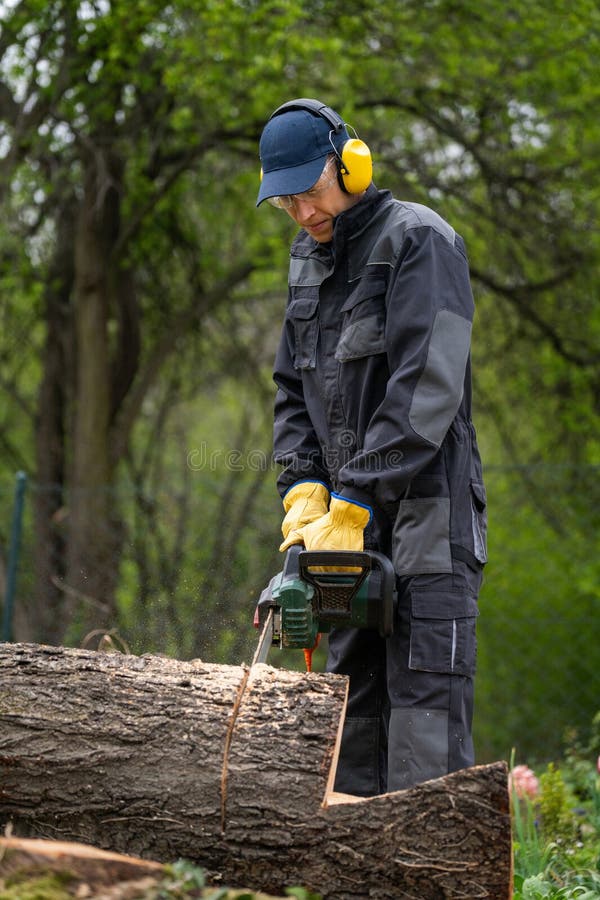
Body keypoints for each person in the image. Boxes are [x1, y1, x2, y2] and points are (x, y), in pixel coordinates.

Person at [256, 98, 487, 797]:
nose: (302, 214)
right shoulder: (308, 261)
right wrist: (302, 491)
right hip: (339, 532)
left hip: (426, 519)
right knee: (348, 716)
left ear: (350, 165)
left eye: (311, 191)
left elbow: (428, 385)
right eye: (286, 201)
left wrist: (355, 495)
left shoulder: (421, 241)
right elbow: (292, 391)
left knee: (423, 719)